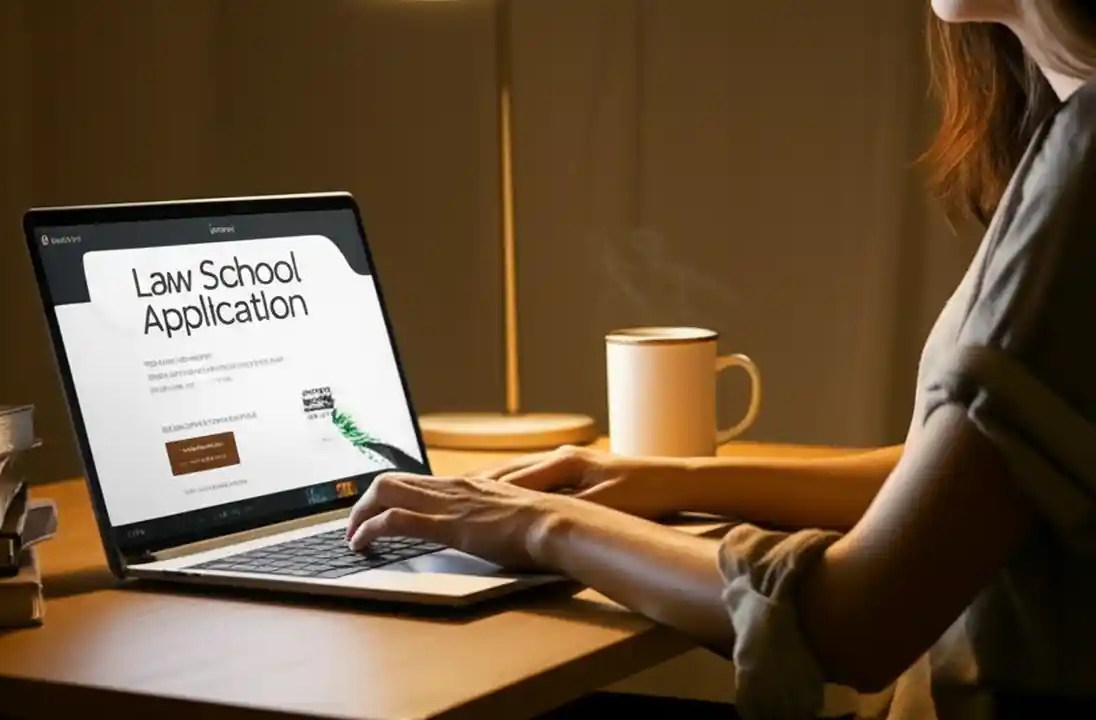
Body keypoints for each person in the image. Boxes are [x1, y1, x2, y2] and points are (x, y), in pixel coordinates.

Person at [346, 1, 1096, 717]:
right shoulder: (1064, 138)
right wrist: (677, 479)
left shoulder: (1085, 159)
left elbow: (854, 620)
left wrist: (543, 527)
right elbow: (967, 484)